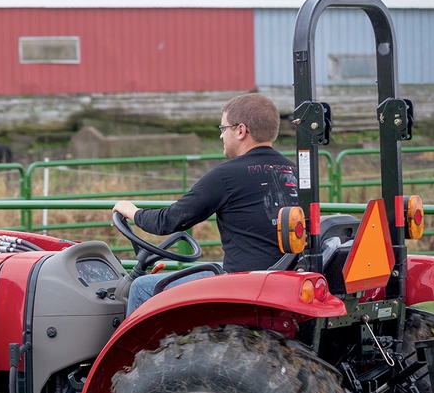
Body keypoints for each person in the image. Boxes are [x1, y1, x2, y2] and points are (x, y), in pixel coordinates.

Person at [112, 93, 299, 314]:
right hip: (284, 280)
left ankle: (138, 350)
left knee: (142, 287)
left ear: (240, 130)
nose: (221, 136)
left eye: (223, 129)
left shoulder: (226, 176)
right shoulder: (294, 171)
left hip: (242, 283)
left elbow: (169, 221)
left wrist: (131, 211)